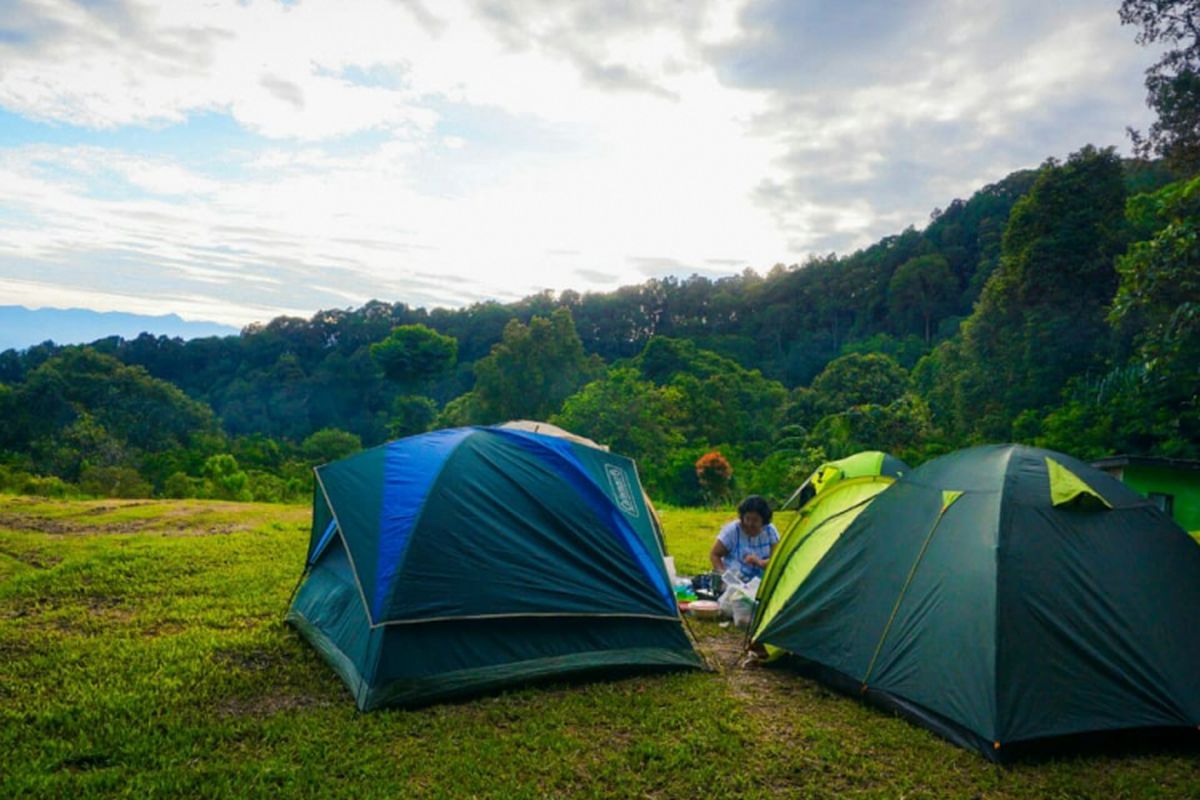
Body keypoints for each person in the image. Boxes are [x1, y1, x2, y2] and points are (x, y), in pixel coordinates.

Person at [709, 495, 779, 581]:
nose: (750, 524)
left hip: (761, 582)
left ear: (763, 520)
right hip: (735, 580)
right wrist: (724, 576)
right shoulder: (732, 531)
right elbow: (714, 555)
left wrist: (759, 562)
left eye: (755, 520)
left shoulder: (770, 530)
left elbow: (776, 560)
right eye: (747, 518)